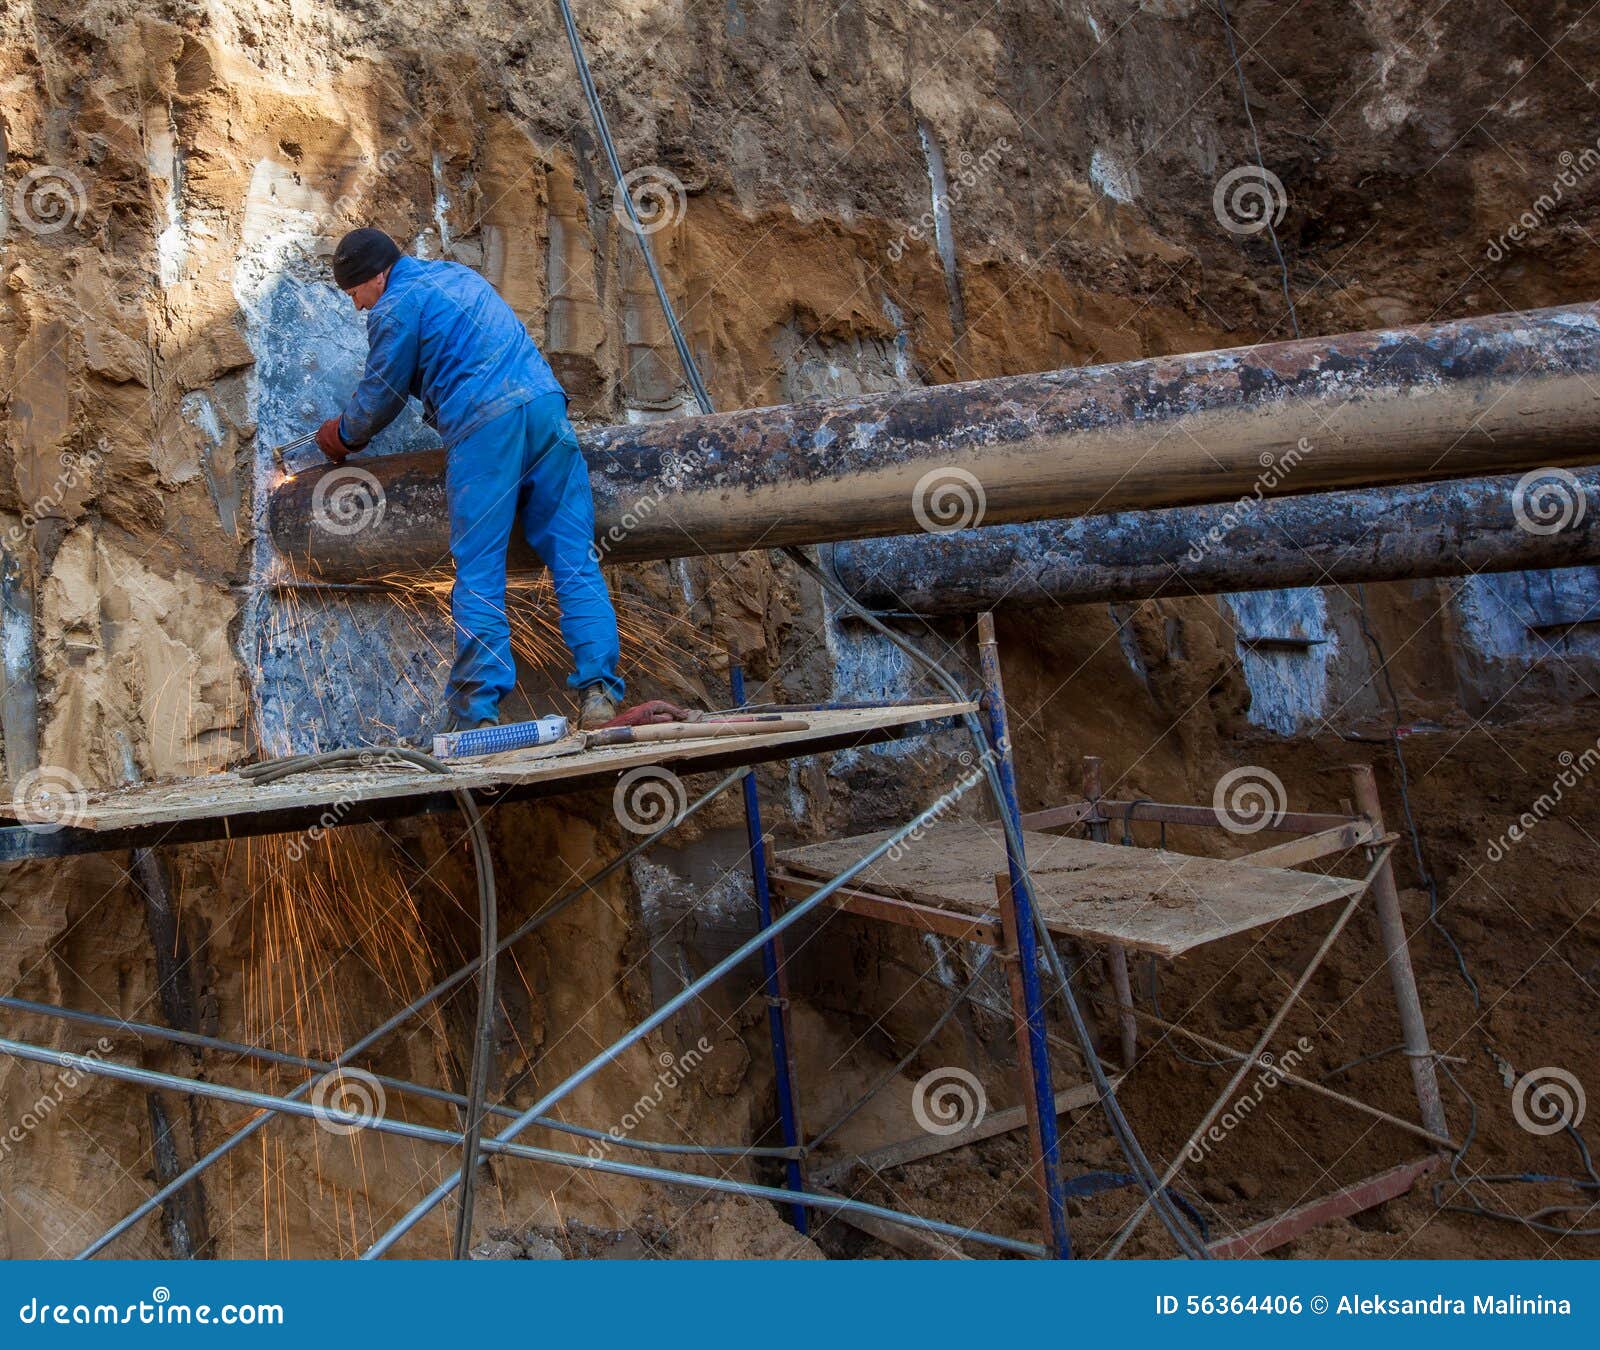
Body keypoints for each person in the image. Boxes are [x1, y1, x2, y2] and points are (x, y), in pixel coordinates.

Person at [316, 228, 624, 732]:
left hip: (486, 427)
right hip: (546, 410)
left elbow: (381, 395)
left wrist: (343, 436)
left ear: (376, 276)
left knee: (480, 572)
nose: (356, 307)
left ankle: (477, 717)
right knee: (574, 555)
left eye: (354, 294)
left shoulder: (396, 305)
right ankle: (599, 696)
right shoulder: (457, 275)